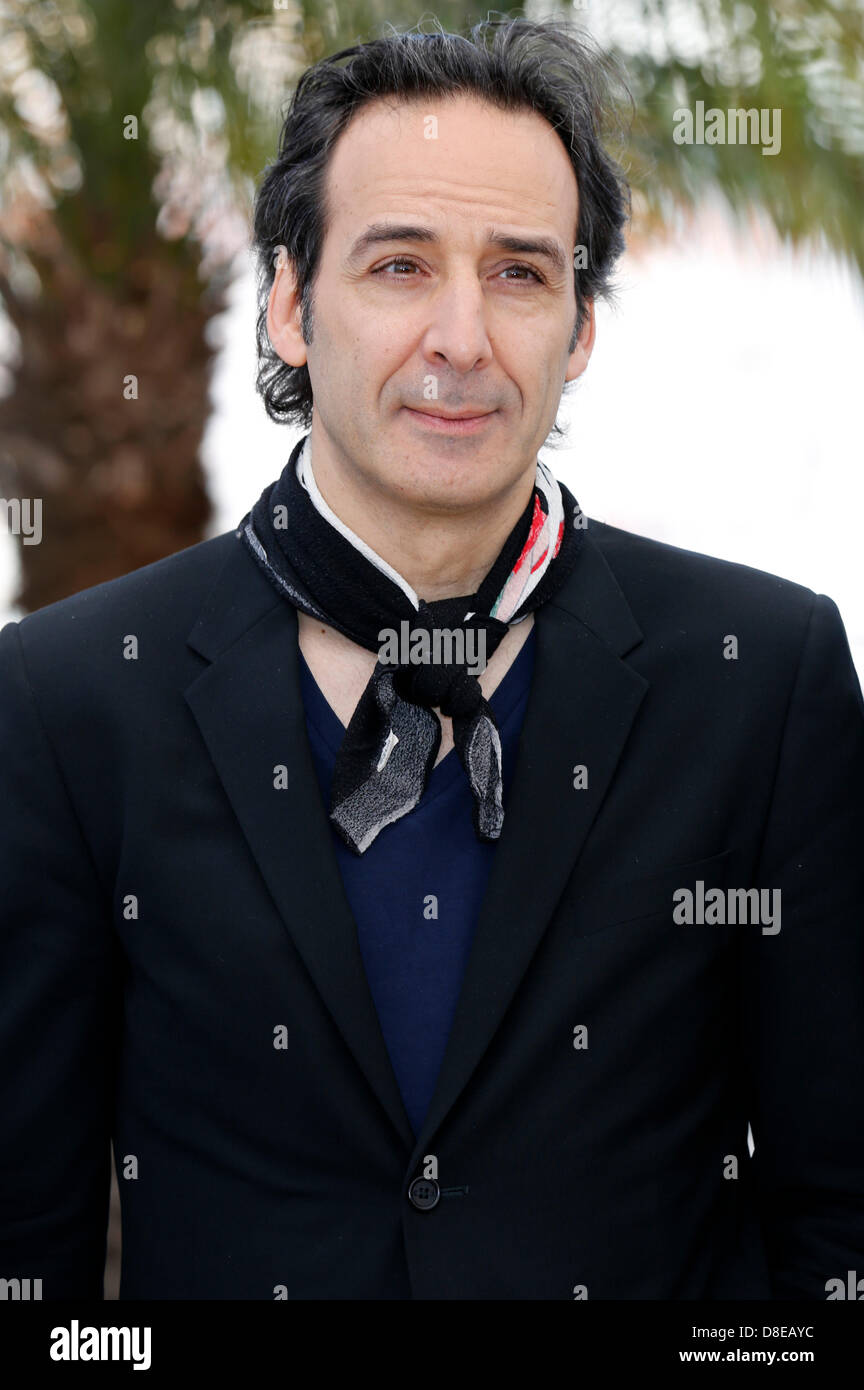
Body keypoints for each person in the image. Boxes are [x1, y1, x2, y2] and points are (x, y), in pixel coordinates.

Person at [1, 16, 862, 1302]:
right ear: (291, 305)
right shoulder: (69, 700)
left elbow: (840, 1214)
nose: (463, 339)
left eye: (520, 274)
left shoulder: (765, 678)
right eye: (400, 266)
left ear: (579, 329)